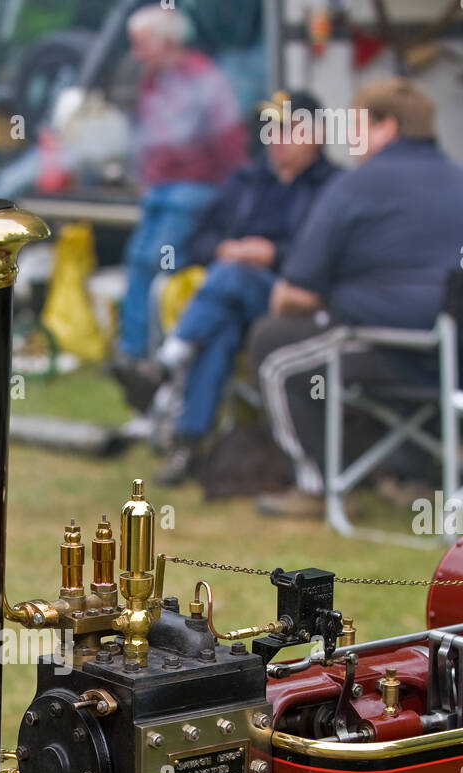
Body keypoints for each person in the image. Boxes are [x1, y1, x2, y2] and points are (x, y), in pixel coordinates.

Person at [248, 78, 463, 517]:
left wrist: (294, 303)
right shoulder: (456, 178)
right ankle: (410, 475)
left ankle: (321, 487)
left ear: (386, 126)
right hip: (451, 354)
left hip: (395, 344)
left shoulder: (357, 186)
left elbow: (297, 292)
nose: (352, 138)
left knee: (273, 345)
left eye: (358, 124)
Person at [130, 90, 337, 484]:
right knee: (220, 329)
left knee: (233, 275)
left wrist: (271, 253)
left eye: (288, 129)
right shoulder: (245, 180)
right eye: (271, 129)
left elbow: (327, 256)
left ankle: (167, 361)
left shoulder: (332, 187)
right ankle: (190, 443)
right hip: (230, 301)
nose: (276, 140)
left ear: (317, 134)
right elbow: (195, 242)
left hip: (292, 300)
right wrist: (225, 248)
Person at [113, 4, 248, 367]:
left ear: (167, 42)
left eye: (141, 44)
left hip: (194, 189)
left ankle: (153, 353)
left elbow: (229, 141)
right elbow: (146, 136)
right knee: (136, 259)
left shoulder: (205, 79)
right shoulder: (152, 80)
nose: (135, 54)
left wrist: (233, 192)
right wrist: (144, 176)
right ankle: (133, 350)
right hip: (160, 188)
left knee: (156, 261)